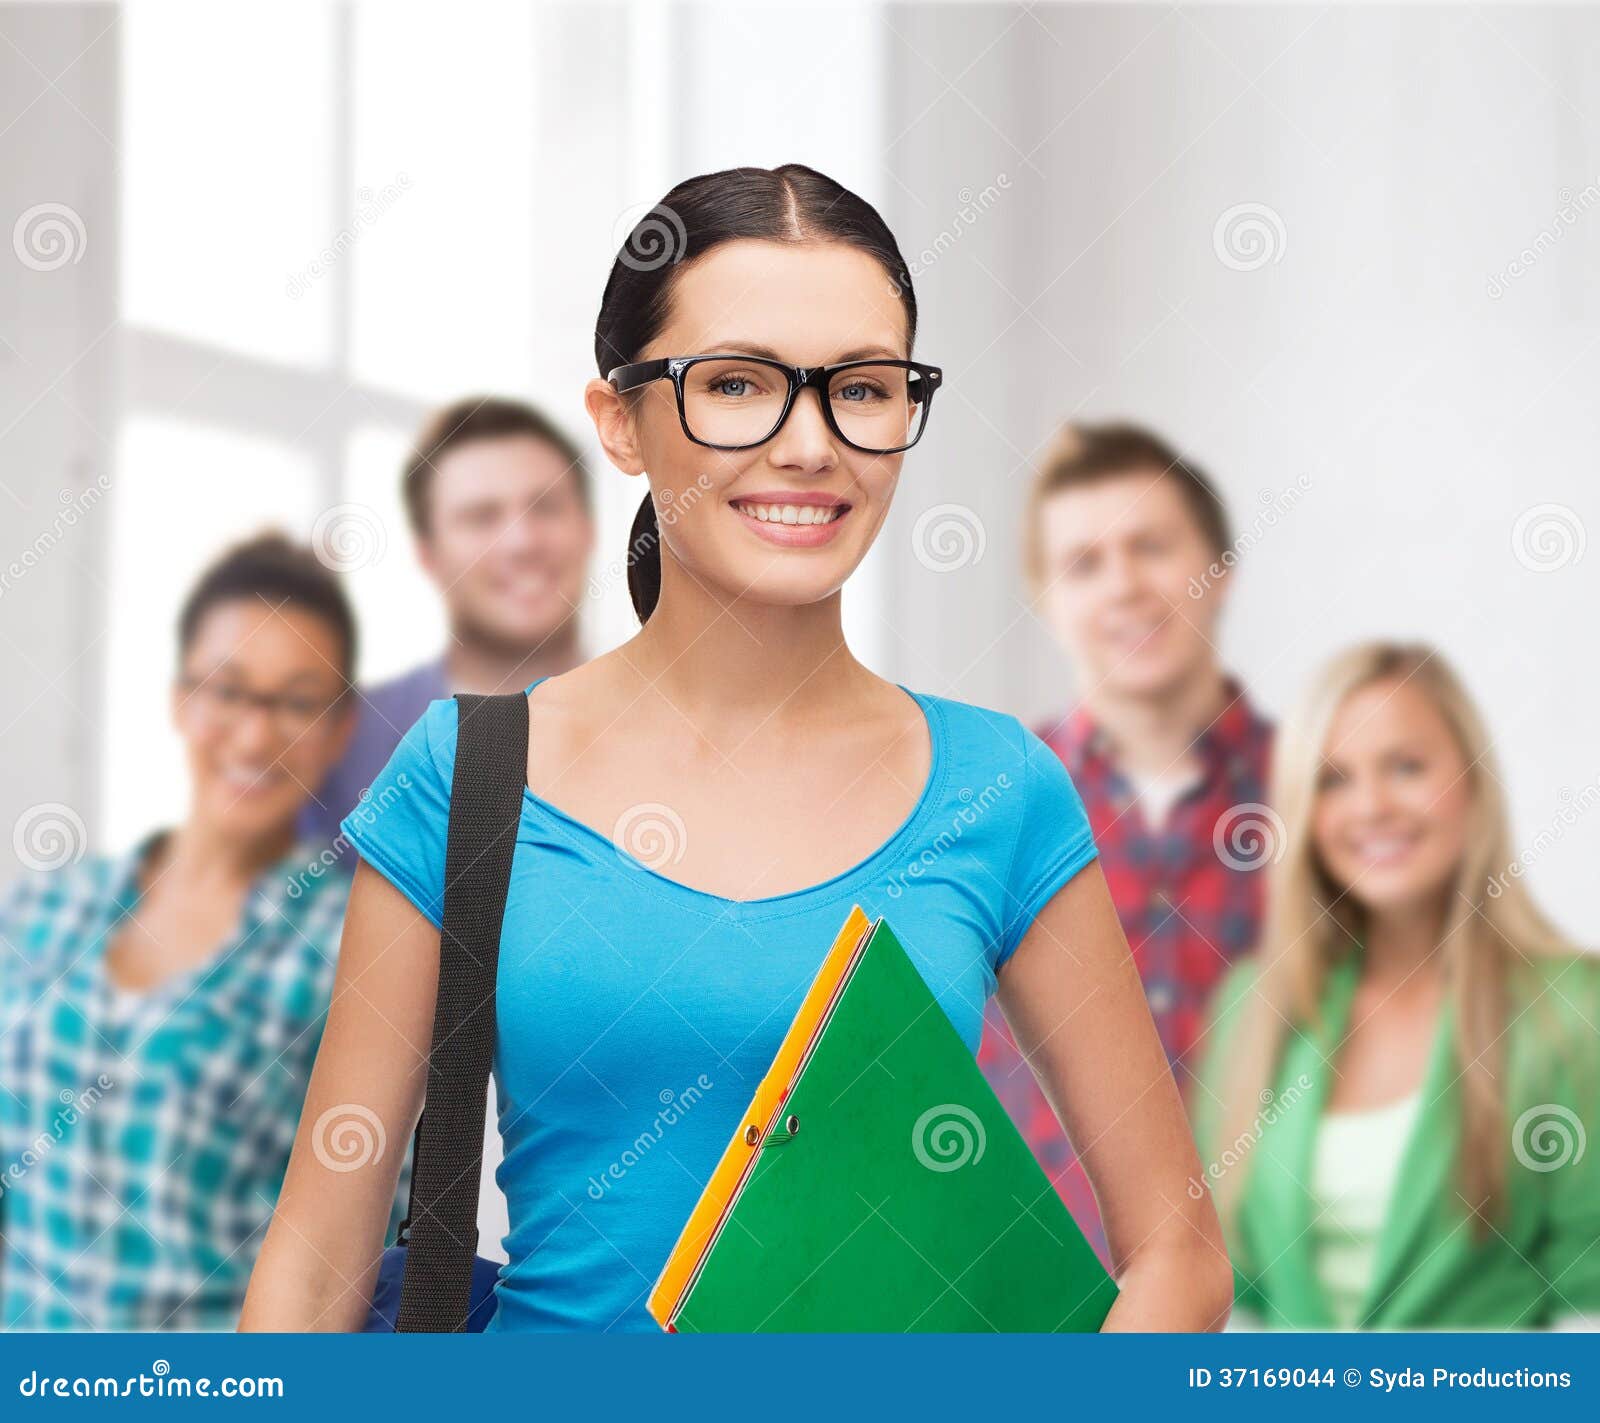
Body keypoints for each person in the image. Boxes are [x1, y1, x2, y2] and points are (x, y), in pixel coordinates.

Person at [240, 163, 1232, 1334]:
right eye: (736, 384)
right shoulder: (465, 776)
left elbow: (1177, 1250)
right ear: (619, 422)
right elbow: (310, 1275)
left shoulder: (998, 788)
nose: (810, 444)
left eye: (862, 389)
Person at [0, 535, 402, 1330]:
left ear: (337, 728)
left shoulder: (353, 951)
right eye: (228, 690)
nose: (255, 737)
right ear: (180, 697)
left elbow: (359, 1258)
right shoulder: (43, 912)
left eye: (295, 702)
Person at [1192, 642, 1600, 1328]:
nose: (1372, 806)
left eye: (1406, 767)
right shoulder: (1252, 1009)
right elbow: (1235, 1299)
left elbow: (1587, 1306)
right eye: (1334, 779)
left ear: (1472, 781)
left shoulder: (1571, 1010)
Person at [977, 423, 1273, 1259]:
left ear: (1221, 570)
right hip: (1045, 1318)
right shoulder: (982, 812)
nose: (1124, 585)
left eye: (1151, 546)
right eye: (1084, 562)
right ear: (1048, 600)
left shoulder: (1333, 806)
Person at [298, 397, 595, 843]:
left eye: (546, 507)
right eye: (481, 517)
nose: (522, 542)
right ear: (427, 556)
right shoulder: (344, 743)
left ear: (588, 528)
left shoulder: (673, 722)